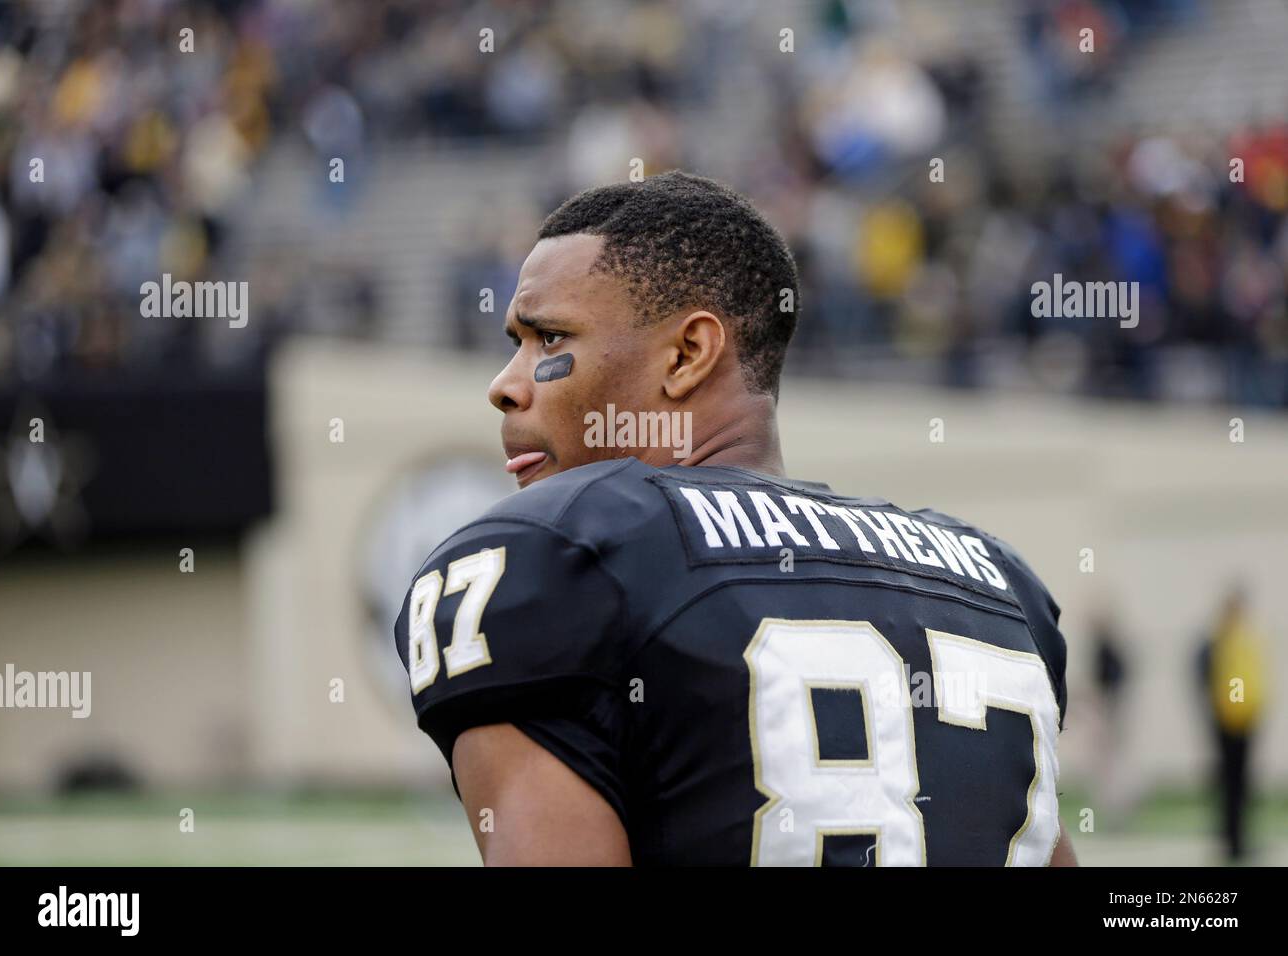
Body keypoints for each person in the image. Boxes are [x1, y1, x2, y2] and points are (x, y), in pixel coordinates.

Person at [394, 171, 1075, 866]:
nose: (505, 385)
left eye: (549, 340)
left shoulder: (559, 554)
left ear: (688, 354)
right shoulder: (993, 581)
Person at [1196, 585, 1268, 862]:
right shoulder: (1221, 638)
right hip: (1228, 720)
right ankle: (1231, 840)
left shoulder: (1242, 636)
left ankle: (1237, 838)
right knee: (1231, 781)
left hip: (1245, 718)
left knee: (1241, 782)